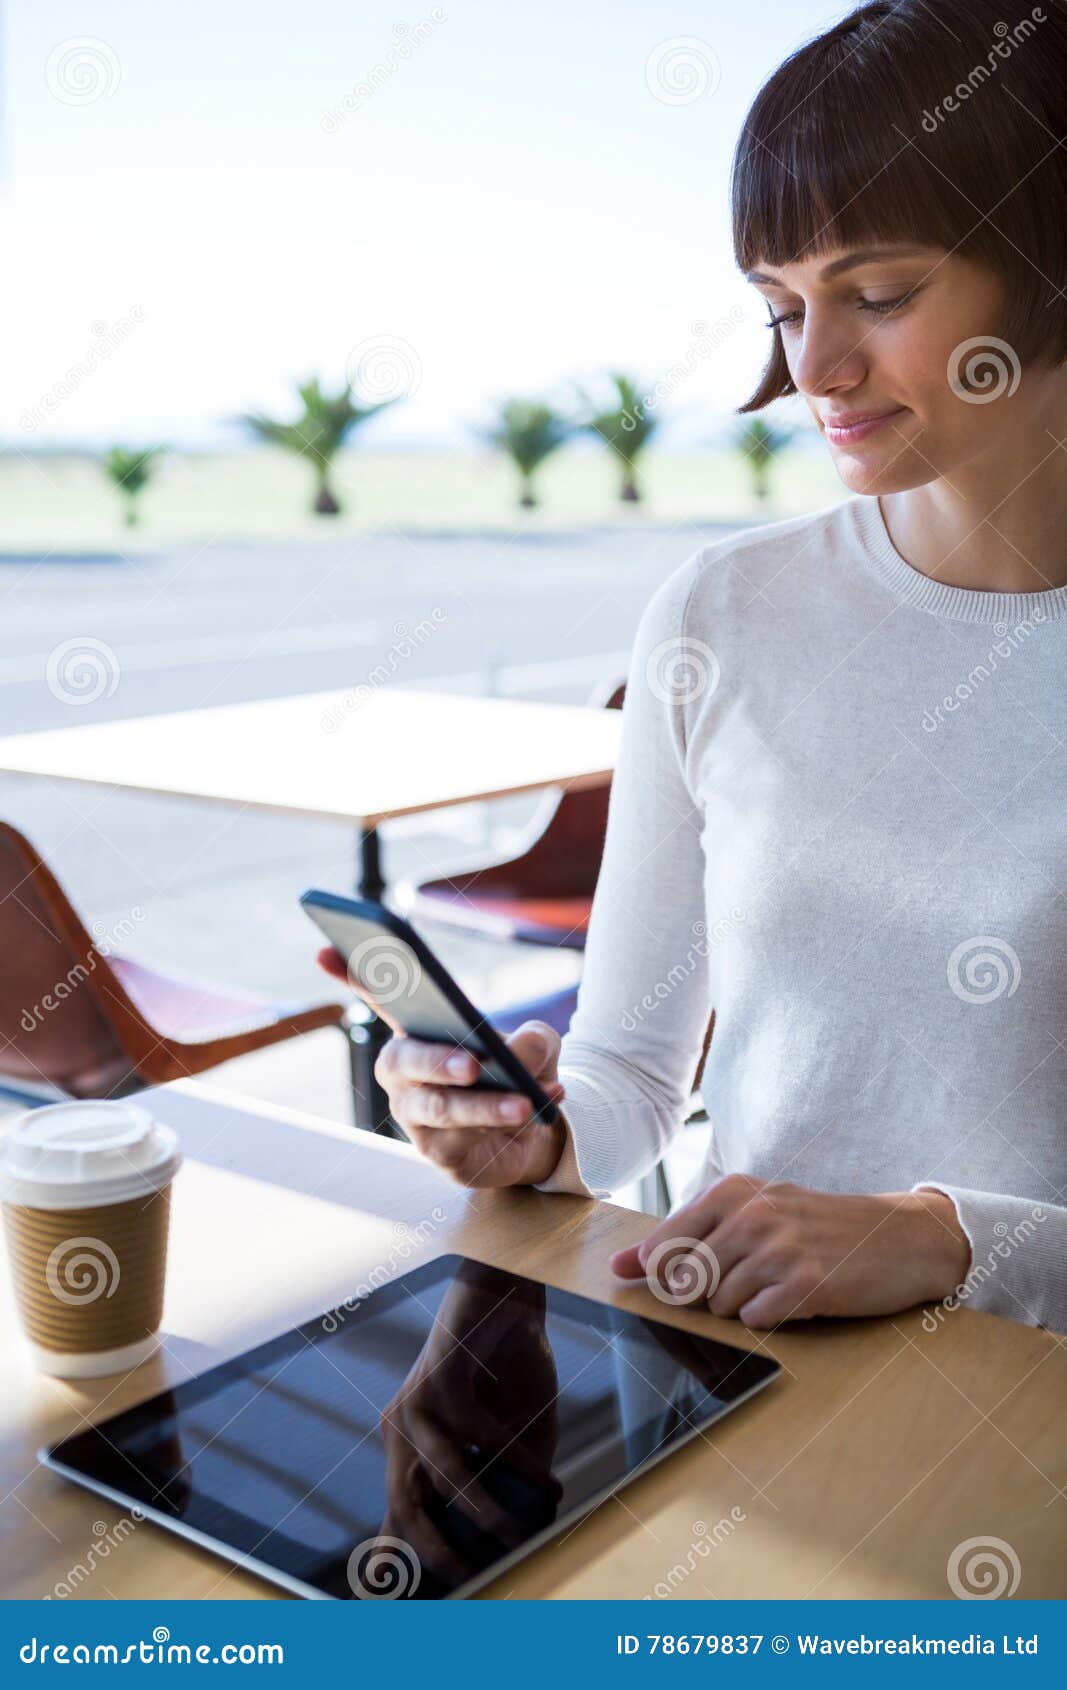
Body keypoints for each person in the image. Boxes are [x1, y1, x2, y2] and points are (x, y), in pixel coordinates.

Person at [322, 0, 1067, 1333]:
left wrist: (952, 1241)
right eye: (781, 307)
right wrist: (540, 1137)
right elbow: (623, 1085)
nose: (817, 366)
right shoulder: (723, 617)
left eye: (880, 294)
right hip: (728, 1381)